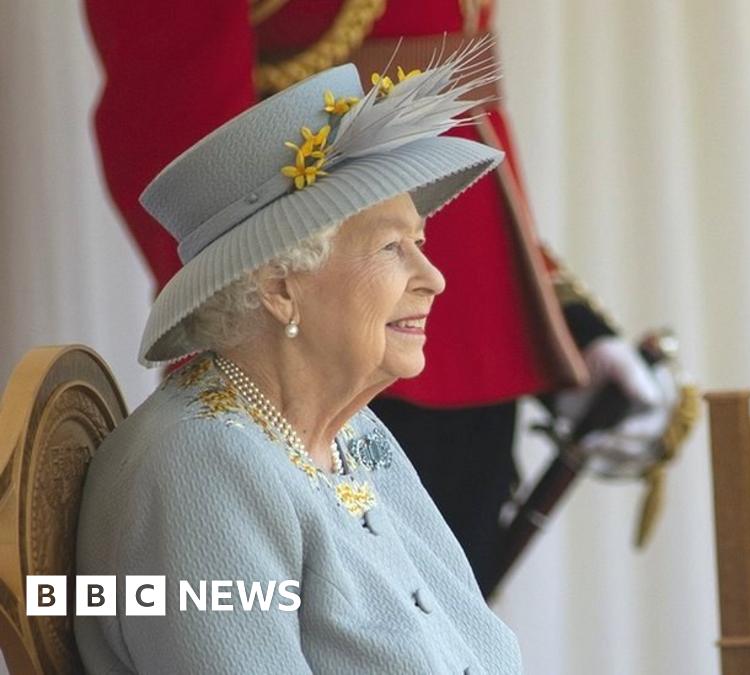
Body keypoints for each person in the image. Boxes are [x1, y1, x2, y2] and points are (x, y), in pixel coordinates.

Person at [84, 0, 682, 593]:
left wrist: (563, 322)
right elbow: (170, 113)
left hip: (464, 338)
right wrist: (248, 314)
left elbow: (463, 111)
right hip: (315, 325)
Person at [75, 48, 523, 673]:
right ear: (281, 286)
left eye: (419, 243)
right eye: (393, 248)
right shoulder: (205, 466)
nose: (434, 279)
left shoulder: (354, 433)